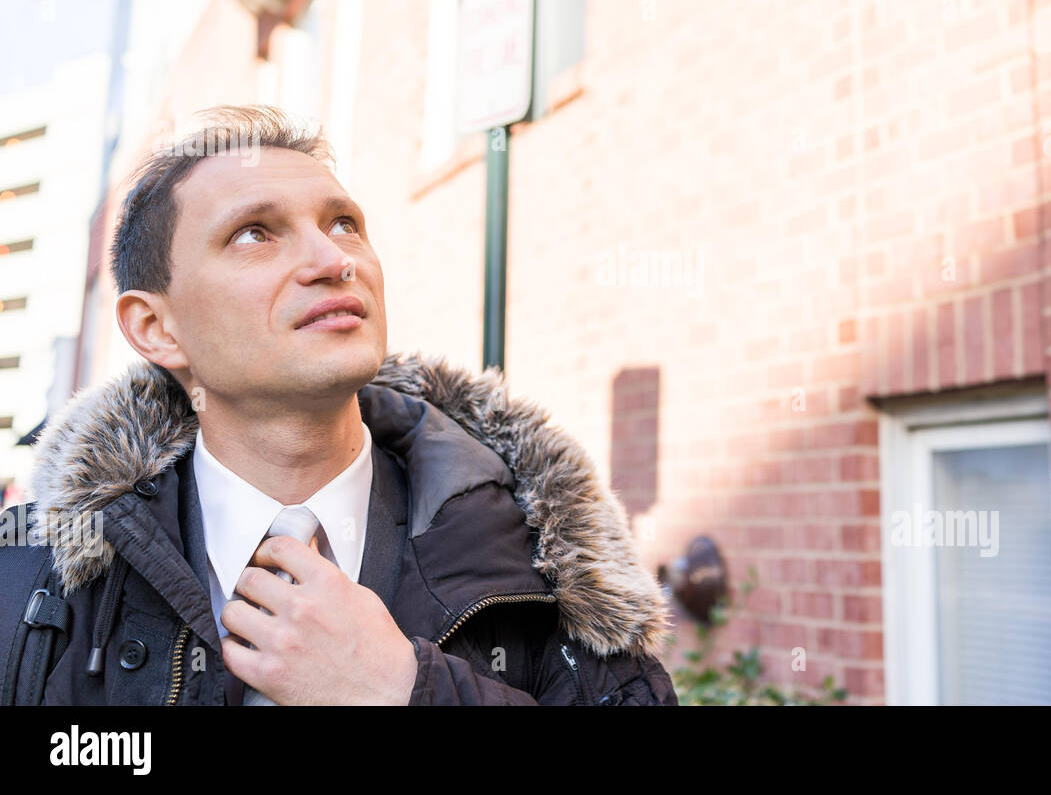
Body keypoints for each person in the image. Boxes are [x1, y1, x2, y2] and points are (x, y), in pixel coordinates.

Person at [0, 106, 678, 705]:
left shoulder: (548, 560)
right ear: (156, 327)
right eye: (254, 233)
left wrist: (407, 693)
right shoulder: (32, 576)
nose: (333, 259)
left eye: (345, 224)